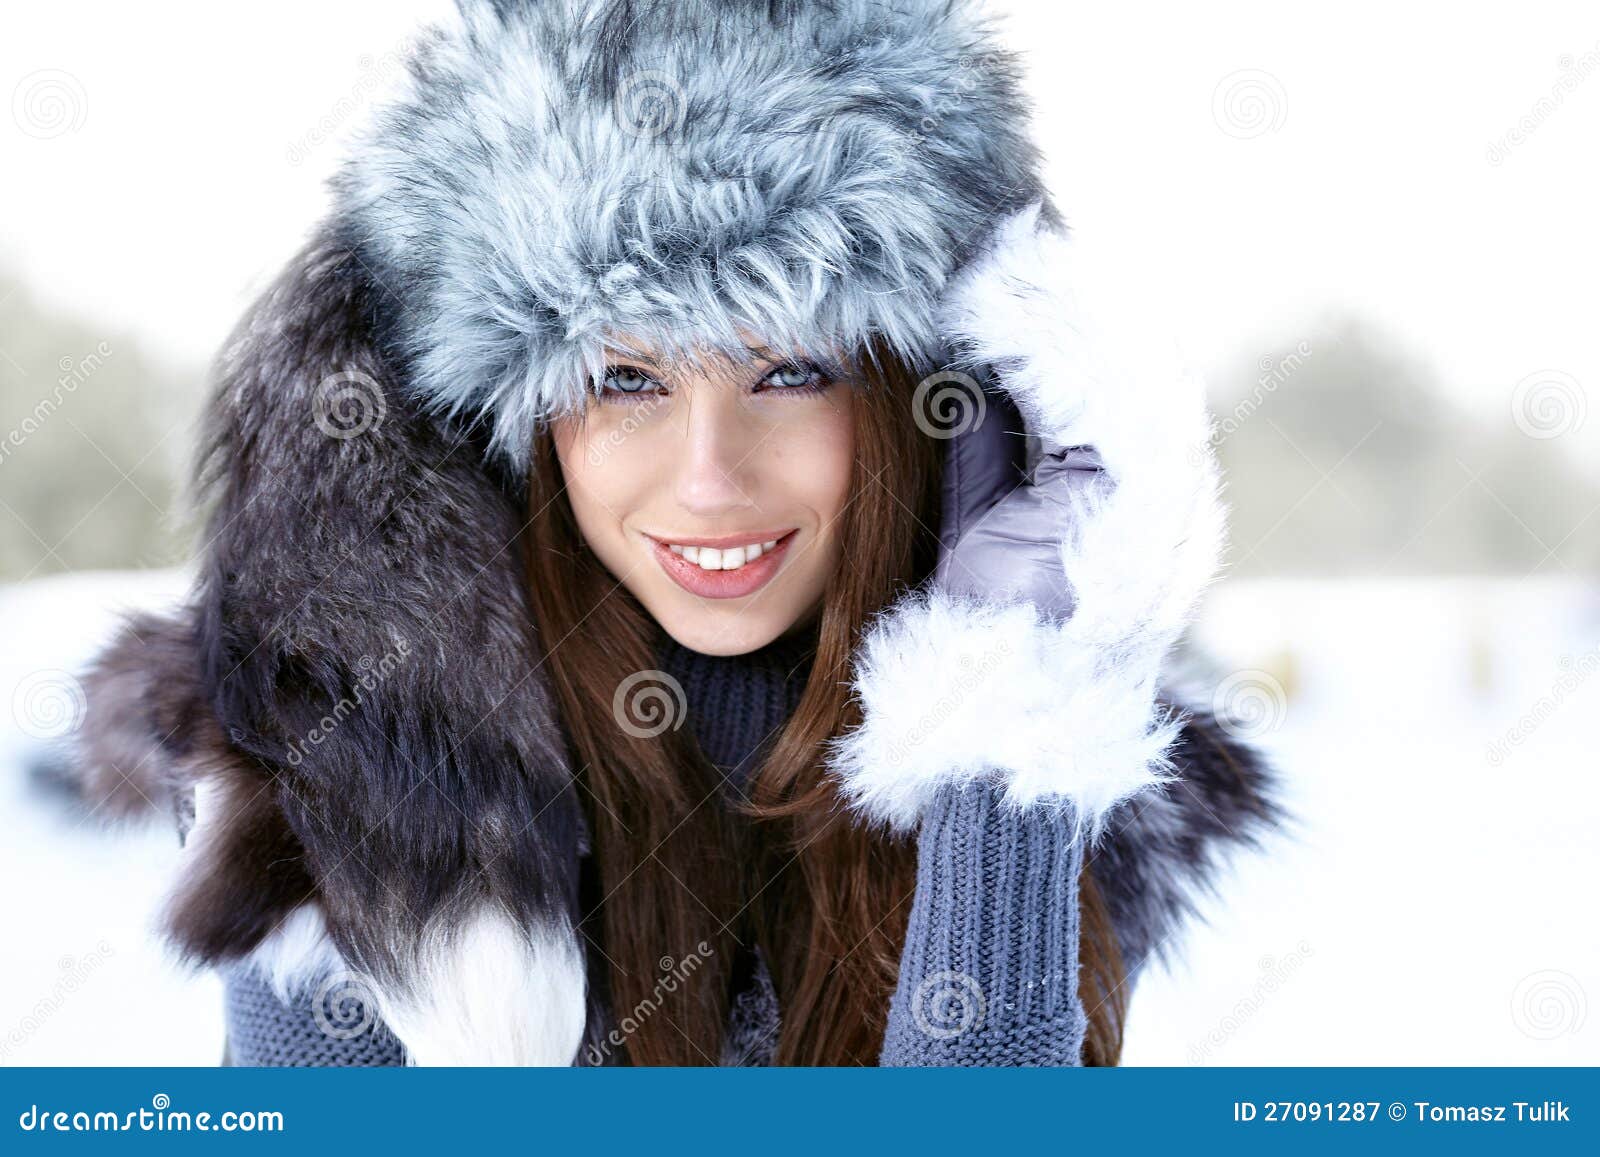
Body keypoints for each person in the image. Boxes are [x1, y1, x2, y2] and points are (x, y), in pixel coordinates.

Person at [77, 0, 1287, 1067]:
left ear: (935, 399)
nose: (709, 479)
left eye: (792, 370)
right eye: (626, 381)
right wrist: (368, 789)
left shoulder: (1047, 796)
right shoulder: (339, 784)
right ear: (518, 425)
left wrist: (1008, 712)